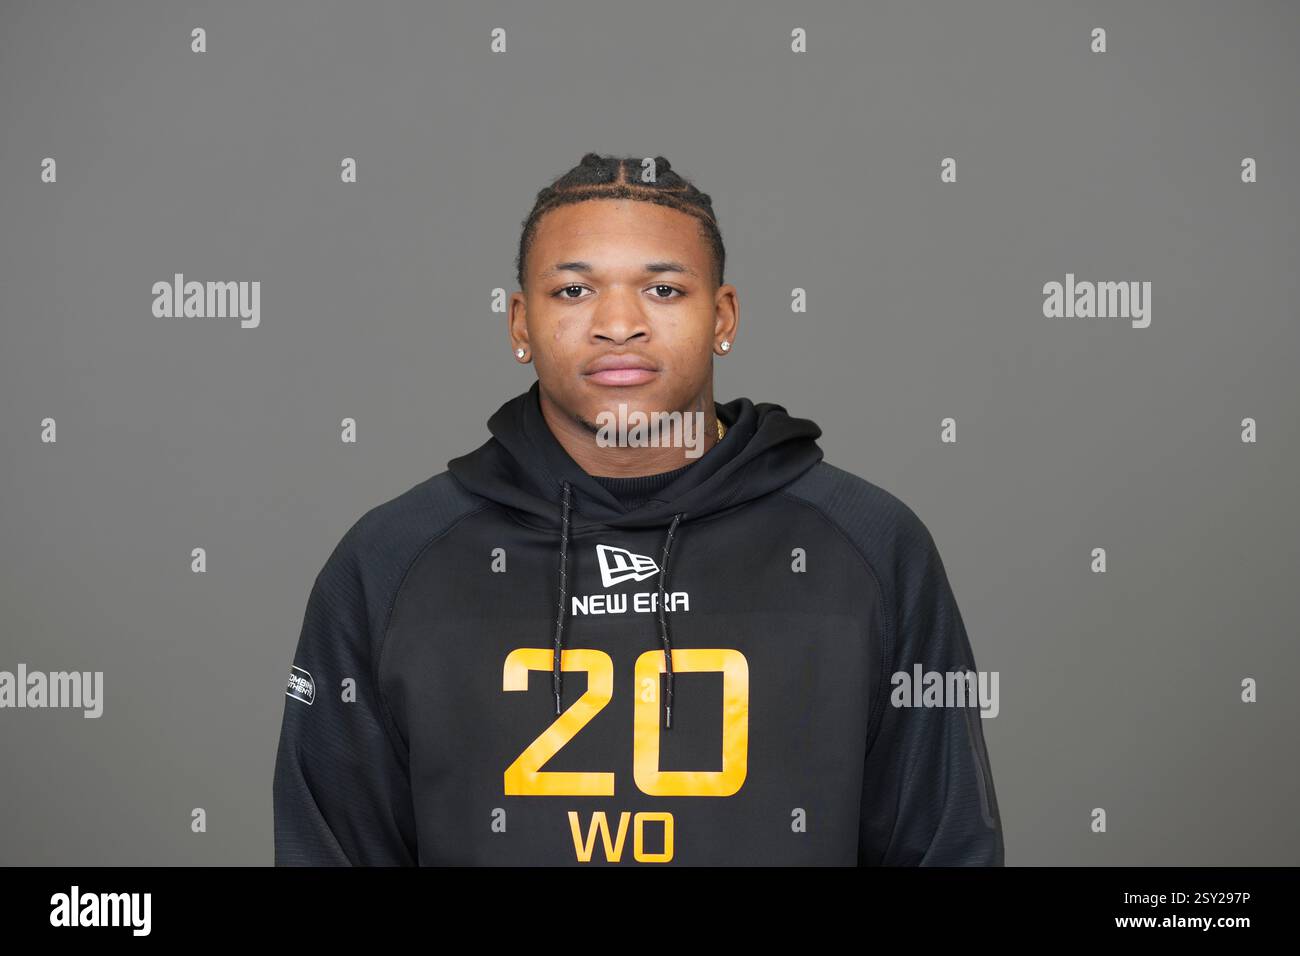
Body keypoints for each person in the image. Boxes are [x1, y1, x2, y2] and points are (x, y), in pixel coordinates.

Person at [272, 152, 1004, 866]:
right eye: (573, 292)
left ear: (724, 315)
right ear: (519, 324)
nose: (618, 324)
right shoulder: (393, 560)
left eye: (662, 290)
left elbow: (946, 846)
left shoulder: (868, 547)